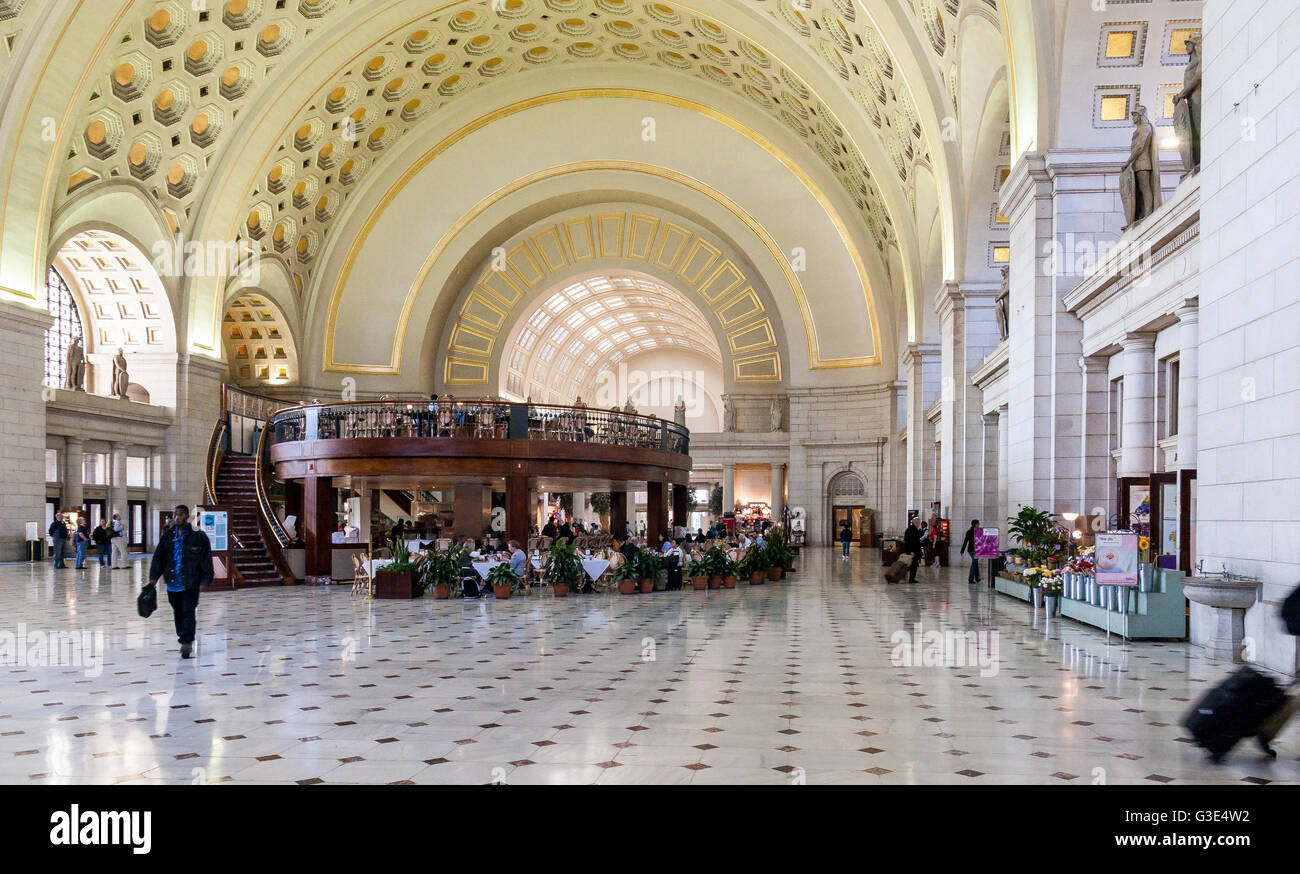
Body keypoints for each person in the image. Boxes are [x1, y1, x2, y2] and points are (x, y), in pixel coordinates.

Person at [147, 504, 213, 659]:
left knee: (188, 611)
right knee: (178, 611)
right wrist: (153, 578)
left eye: (181, 514)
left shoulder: (199, 536)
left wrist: (206, 579)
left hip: (191, 582)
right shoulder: (168, 535)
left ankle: (187, 641)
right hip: (172, 582)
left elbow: (206, 560)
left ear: (187, 516)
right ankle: (183, 635)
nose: (178, 517)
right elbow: (159, 558)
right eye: (175, 514)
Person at [903, 517, 924, 584]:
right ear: (916, 523)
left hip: (914, 551)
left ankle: (911, 578)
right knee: (912, 565)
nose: (919, 524)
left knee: (913, 565)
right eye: (919, 523)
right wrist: (911, 551)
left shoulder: (913, 529)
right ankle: (911, 579)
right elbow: (909, 541)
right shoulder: (911, 530)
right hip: (912, 551)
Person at [960, 520, 981, 585]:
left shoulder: (977, 531)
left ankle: (977, 577)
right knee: (974, 563)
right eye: (978, 524)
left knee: (976, 562)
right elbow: (966, 541)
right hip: (972, 550)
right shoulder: (971, 532)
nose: (979, 525)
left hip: (975, 550)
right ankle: (970, 579)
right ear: (976, 524)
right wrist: (962, 550)